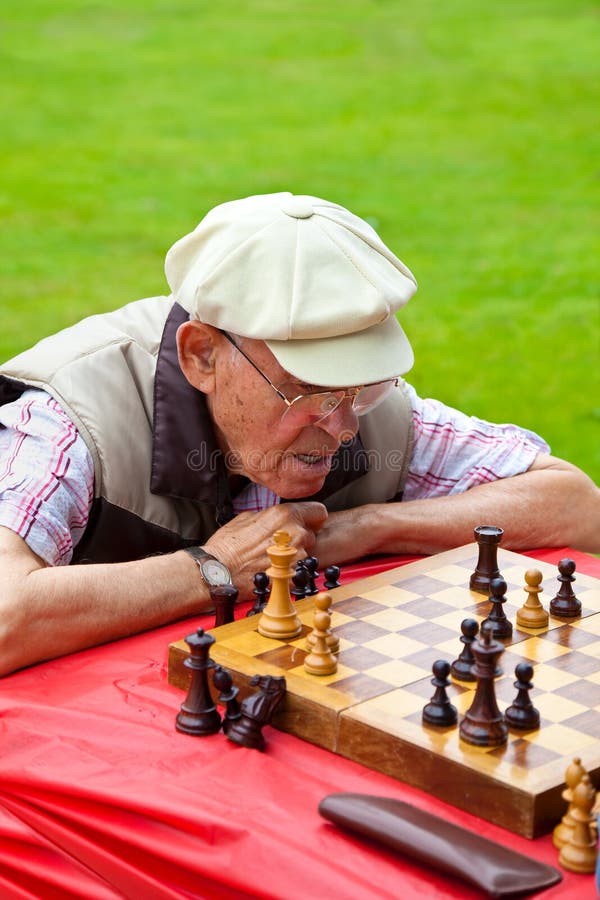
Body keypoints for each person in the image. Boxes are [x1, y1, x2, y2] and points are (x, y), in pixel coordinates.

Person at [0, 192, 598, 675]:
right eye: (308, 391)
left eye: (360, 387)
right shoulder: (68, 418)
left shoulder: (375, 413)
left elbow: (575, 505)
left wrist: (370, 528)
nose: (342, 427)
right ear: (202, 355)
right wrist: (210, 568)